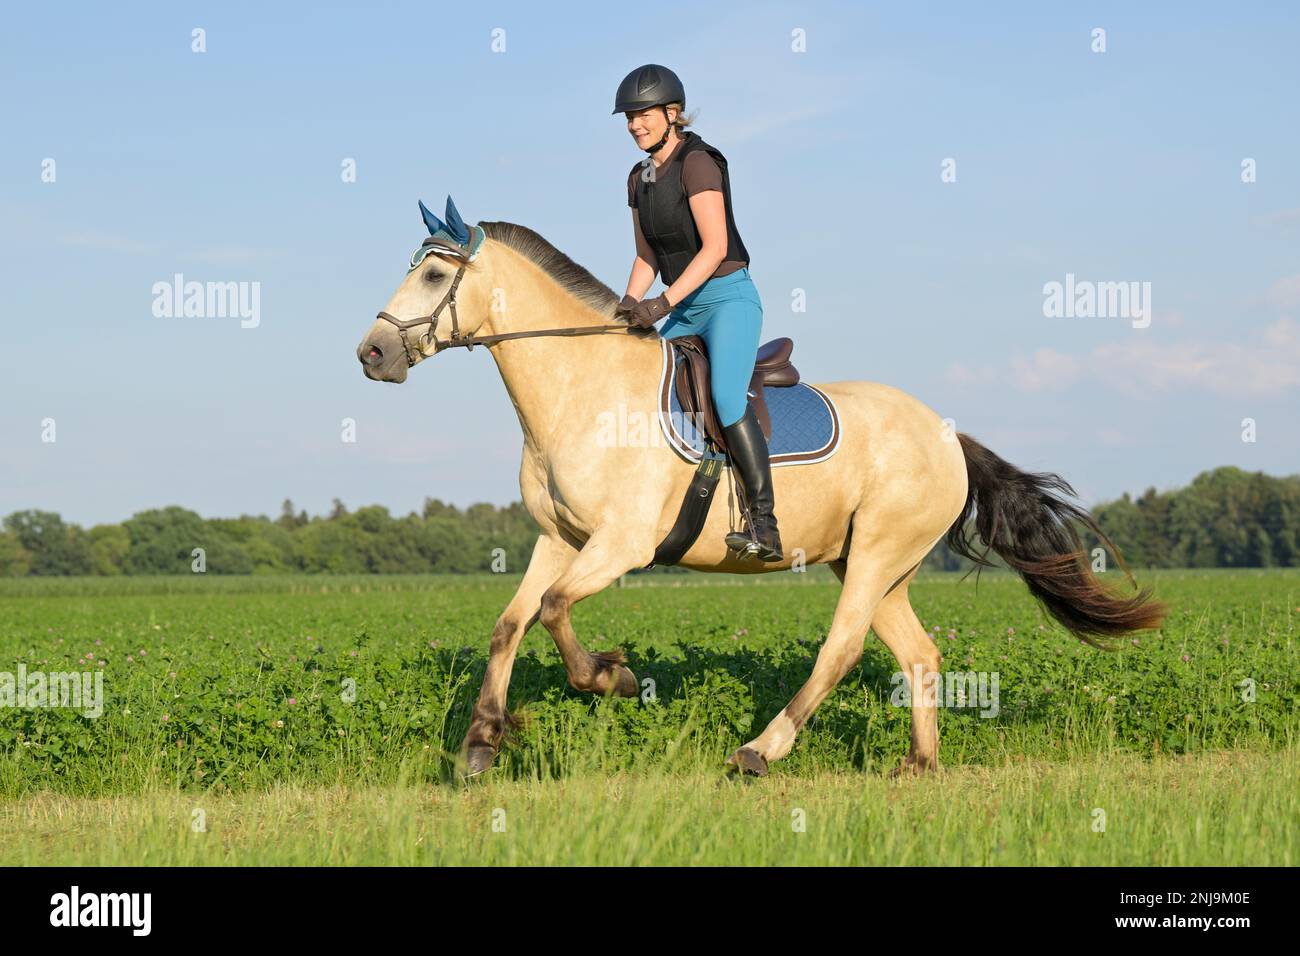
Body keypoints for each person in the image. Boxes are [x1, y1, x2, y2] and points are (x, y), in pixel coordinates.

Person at [613, 64, 782, 562]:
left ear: (671, 114)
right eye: (628, 117)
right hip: (683, 303)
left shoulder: (698, 162)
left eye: (642, 114)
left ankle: (765, 525)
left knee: (728, 398)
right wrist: (626, 304)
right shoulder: (638, 178)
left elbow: (714, 248)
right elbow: (647, 256)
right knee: (644, 384)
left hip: (728, 296)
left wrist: (660, 304)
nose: (634, 125)